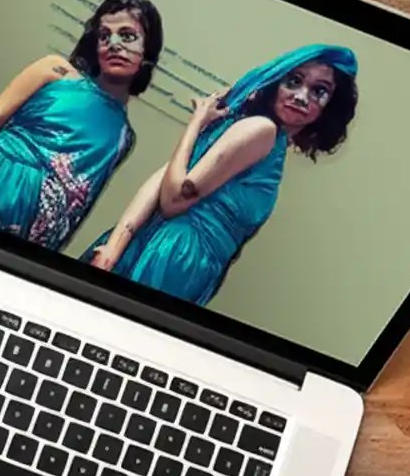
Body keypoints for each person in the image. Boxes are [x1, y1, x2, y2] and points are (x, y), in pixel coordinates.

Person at [84, 44, 359, 305]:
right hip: (177, 254)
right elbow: (172, 201)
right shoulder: (261, 130)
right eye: (294, 81)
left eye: (319, 91)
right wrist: (195, 124)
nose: (301, 97)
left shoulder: (266, 140)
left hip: (178, 255)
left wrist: (114, 247)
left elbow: (163, 179)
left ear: (329, 106)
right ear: (275, 82)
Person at [0, 0, 164, 251]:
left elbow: (82, 203)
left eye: (128, 36)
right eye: (103, 35)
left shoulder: (124, 136)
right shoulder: (57, 72)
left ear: (148, 49)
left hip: (31, 234)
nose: (113, 44)